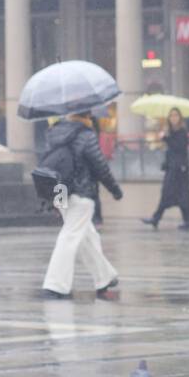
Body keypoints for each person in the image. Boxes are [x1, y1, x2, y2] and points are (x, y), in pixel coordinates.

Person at [40, 111, 122, 300]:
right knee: (71, 236)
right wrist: (115, 189)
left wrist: (53, 200)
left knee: (87, 235)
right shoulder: (85, 135)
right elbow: (100, 165)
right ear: (87, 116)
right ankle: (55, 285)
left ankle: (105, 277)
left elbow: (50, 162)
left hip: (60, 189)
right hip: (80, 192)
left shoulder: (54, 132)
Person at [143, 107, 189, 230]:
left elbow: (179, 147)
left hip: (180, 169)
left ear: (180, 117)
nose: (173, 118)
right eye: (171, 115)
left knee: (183, 196)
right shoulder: (170, 132)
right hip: (172, 168)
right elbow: (171, 151)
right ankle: (157, 218)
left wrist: (166, 138)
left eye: (176, 115)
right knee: (168, 194)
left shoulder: (182, 132)